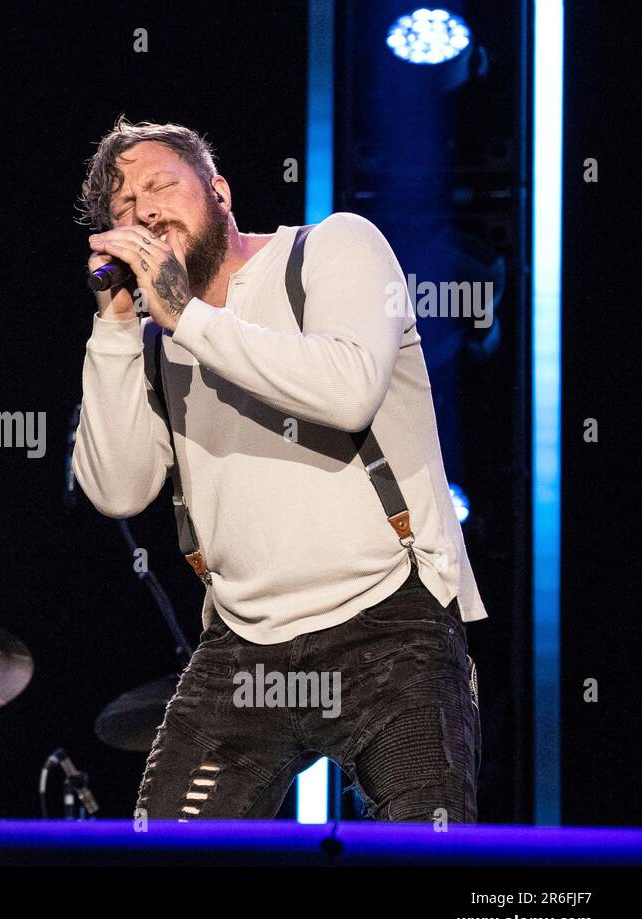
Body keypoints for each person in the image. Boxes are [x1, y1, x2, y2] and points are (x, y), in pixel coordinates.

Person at [73, 118, 485, 822]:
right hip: (242, 642)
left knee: (428, 852)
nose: (143, 212)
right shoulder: (153, 340)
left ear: (220, 191)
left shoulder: (333, 248)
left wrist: (184, 315)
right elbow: (117, 489)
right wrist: (114, 326)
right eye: (123, 211)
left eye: (160, 186)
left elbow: (348, 390)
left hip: (389, 624)